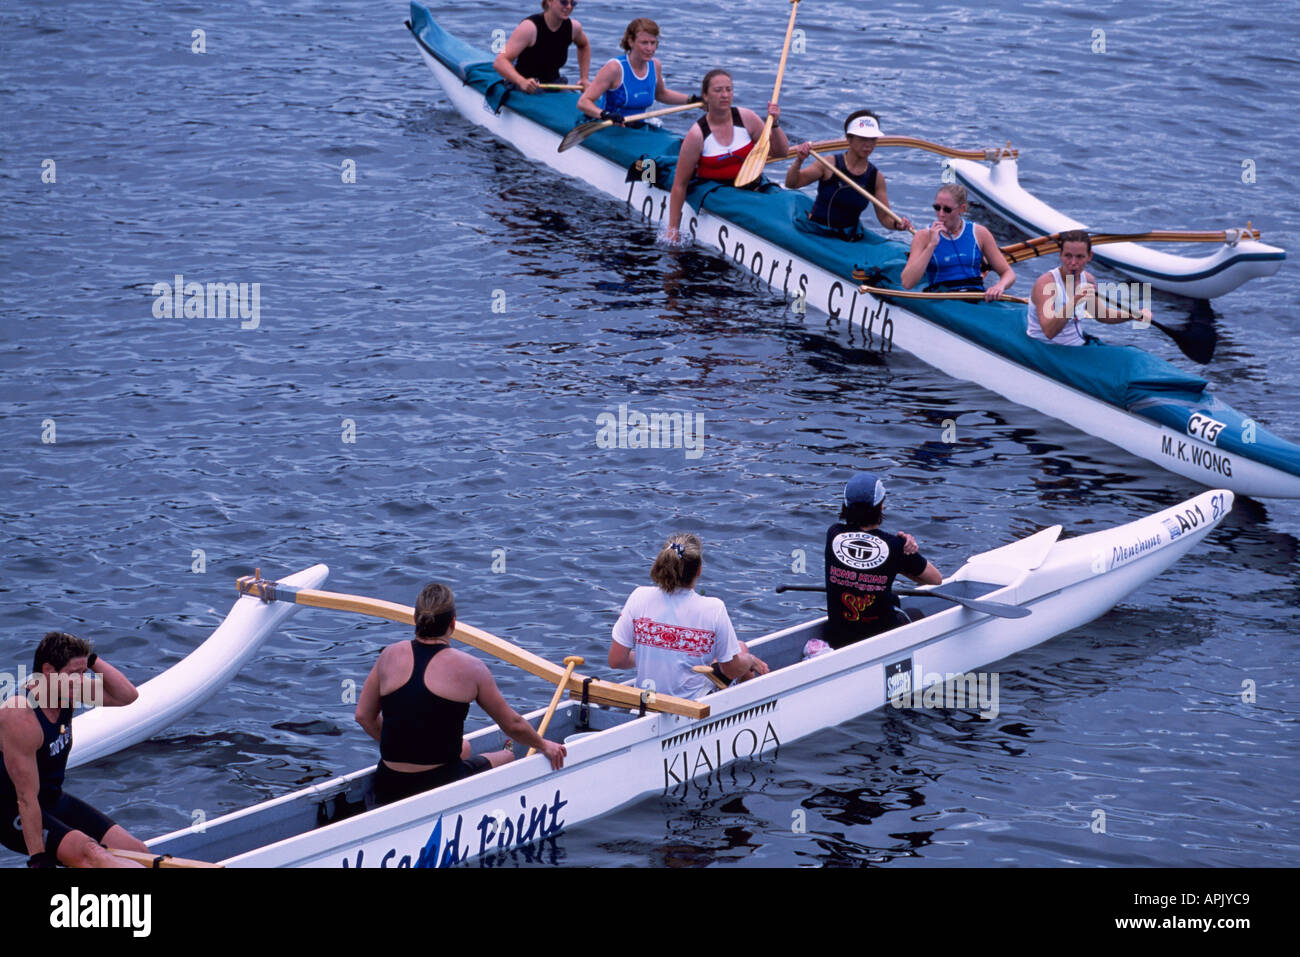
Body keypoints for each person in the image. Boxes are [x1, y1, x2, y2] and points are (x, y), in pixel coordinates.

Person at [355, 583, 565, 807]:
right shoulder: (471, 668)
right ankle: (507, 755)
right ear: (453, 623)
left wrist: (402, 746)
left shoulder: (389, 655)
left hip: (388, 784)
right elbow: (512, 724)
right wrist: (544, 745)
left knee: (464, 747)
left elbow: (363, 716)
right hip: (439, 785)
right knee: (507, 757)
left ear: (416, 619)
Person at [1, 631, 149, 868]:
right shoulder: (20, 715)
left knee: (136, 851)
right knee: (91, 854)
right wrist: (38, 858)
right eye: (74, 674)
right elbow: (25, 798)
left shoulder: (67, 689)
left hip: (52, 799)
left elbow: (126, 696)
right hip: (12, 811)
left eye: (83, 673)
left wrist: (89, 659)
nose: (81, 680)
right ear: (48, 671)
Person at [609, 533, 768, 699]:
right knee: (741, 648)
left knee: (727, 653)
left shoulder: (638, 597)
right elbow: (731, 670)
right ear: (698, 571)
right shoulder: (714, 608)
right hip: (692, 708)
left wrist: (655, 654)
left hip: (647, 702)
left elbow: (616, 660)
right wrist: (750, 660)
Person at [665, 70, 788, 243]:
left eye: (728, 89)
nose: (725, 95)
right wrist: (673, 231)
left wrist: (774, 124)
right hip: (717, 192)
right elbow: (679, 185)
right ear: (705, 96)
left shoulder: (747, 118)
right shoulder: (697, 135)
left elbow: (780, 152)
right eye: (718, 90)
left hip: (751, 186)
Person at [824, 473, 942, 649]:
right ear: (881, 507)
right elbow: (935, 579)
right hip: (881, 639)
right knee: (915, 613)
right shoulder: (895, 545)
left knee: (893, 599)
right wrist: (901, 558)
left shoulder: (833, 534)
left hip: (840, 639)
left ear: (846, 506)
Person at [785, 111, 913, 239]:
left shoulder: (876, 178)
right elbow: (792, 183)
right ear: (848, 139)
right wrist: (799, 160)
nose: (868, 144)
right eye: (863, 138)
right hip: (817, 230)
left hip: (847, 238)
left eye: (873, 139)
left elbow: (885, 218)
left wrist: (897, 224)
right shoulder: (829, 164)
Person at [1027, 230, 1151, 345]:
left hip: (1076, 343)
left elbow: (1102, 315)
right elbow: (1049, 332)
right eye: (1068, 256)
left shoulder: (1088, 279)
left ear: (1089, 256)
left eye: (1080, 257)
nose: (1073, 262)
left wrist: (1134, 314)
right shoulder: (1045, 284)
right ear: (1060, 255)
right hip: (1046, 346)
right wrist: (1075, 300)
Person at [900, 184, 1015, 300]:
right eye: (937, 208)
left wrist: (1000, 286)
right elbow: (907, 283)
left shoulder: (980, 233)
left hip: (974, 296)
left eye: (947, 209)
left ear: (962, 209)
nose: (941, 214)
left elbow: (1008, 273)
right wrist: (931, 245)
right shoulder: (923, 236)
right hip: (941, 300)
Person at [576, 18, 692, 127]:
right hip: (610, 127)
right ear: (631, 42)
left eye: (653, 43)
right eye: (644, 43)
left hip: (637, 128)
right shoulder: (614, 68)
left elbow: (661, 94)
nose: (650, 48)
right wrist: (605, 115)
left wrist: (692, 99)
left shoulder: (655, 65)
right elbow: (583, 102)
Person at [493, 0, 591, 93]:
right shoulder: (529, 28)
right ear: (549, 1)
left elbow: (584, 46)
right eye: (564, 2)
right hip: (522, 85)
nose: (569, 6)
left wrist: (584, 78)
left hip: (554, 83)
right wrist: (521, 81)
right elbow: (500, 62)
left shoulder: (574, 27)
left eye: (573, 3)